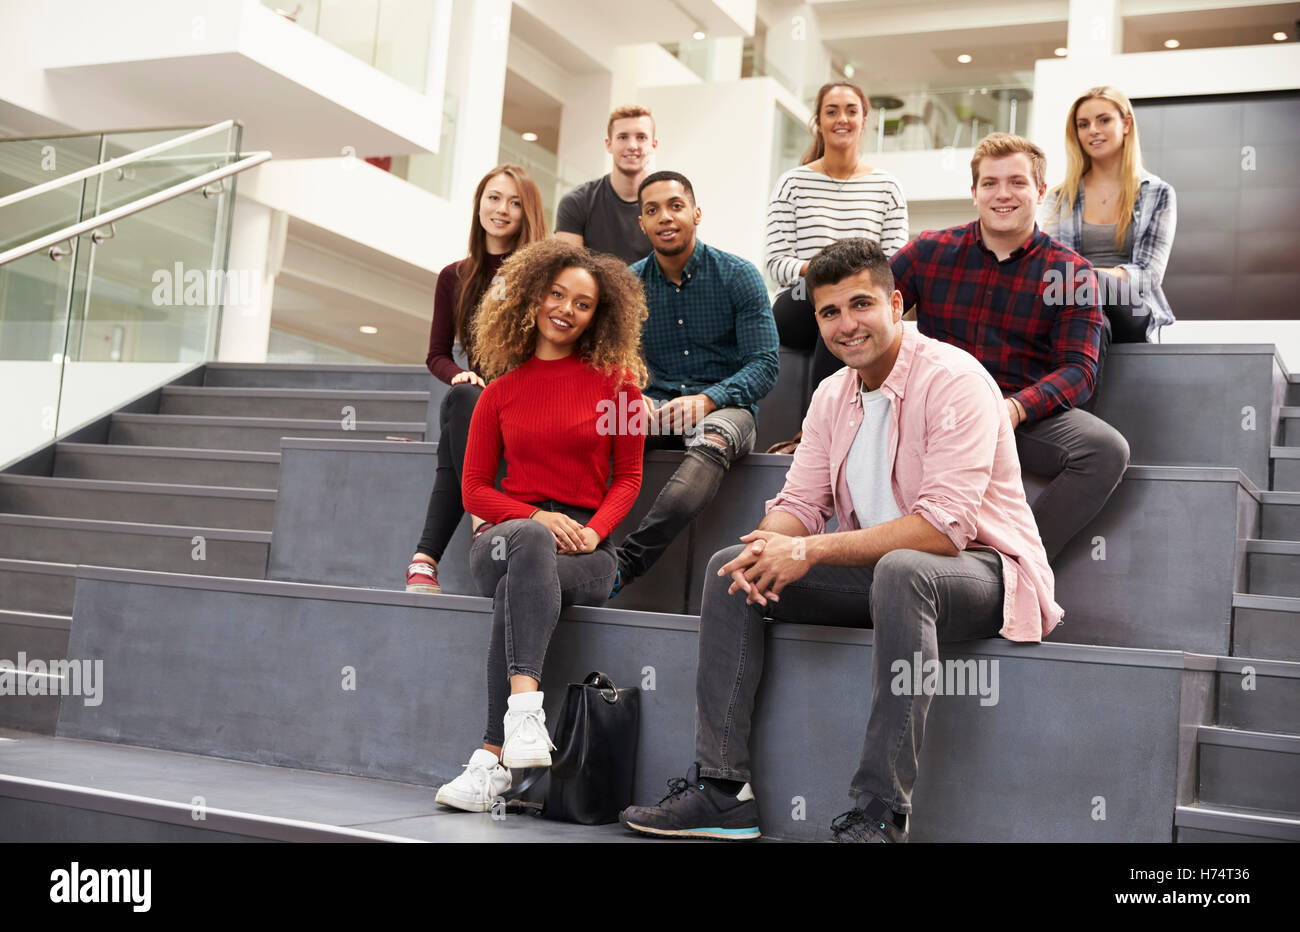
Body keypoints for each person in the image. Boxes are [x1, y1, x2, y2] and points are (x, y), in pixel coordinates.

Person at [618, 238, 1061, 842]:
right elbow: (800, 505)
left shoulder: (956, 381)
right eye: (830, 312)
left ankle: (880, 814)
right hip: (882, 574)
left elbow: (942, 530)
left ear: (896, 302)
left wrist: (806, 552)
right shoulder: (832, 394)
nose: (846, 325)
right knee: (733, 569)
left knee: (905, 569)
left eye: (861, 304)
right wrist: (770, 545)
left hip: (981, 571)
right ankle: (722, 791)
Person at [434, 239, 648, 812]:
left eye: (583, 303)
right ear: (534, 297)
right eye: (558, 294)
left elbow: (628, 479)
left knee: (517, 587)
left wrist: (596, 531)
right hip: (507, 535)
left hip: (586, 548)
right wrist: (535, 517)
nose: (566, 309)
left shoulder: (620, 385)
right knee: (527, 544)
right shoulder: (498, 392)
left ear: (598, 315)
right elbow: (474, 489)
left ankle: (492, 757)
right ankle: (526, 717)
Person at [890, 133, 1130, 561]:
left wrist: (1015, 409)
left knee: (1105, 450)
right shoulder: (929, 250)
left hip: (1017, 415)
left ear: (1039, 191)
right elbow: (872, 315)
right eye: (990, 183)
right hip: (937, 410)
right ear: (974, 192)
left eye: (1017, 182)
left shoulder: (1071, 271)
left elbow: (1079, 370)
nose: (1003, 194)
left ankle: (1018, 560)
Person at [610, 170, 779, 596]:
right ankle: (570, 550)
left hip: (727, 410)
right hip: (656, 408)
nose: (665, 217)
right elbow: (610, 361)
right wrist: (634, 393)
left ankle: (624, 566)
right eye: (652, 210)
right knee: (600, 425)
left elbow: (765, 364)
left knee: (711, 439)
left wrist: (709, 399)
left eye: (675, 206)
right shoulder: (627, 286)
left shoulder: (738, 275)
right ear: (642, 224)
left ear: (695, 213)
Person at [405, 165, 548, 594]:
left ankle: (425, 558)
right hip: (479, 398)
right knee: (463, 399)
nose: (501, 210)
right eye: (493, 197)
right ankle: (480, 522)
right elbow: (436, 355)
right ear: (479, 203)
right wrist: (458, 374)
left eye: (515, 202)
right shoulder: (454, 276)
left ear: (528, 213)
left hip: (527, 395)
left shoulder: (540, 276)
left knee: (459, 421)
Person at [765, 81, 909, 410]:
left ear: (864, 120)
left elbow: (896, 262)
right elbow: (775, 262)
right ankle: (825, 424)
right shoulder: (792, 183)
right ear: (819, 121)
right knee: (830, 307)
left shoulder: (887, 187)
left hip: (863, 298)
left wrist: (849, 286)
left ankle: (824, 423)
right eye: (831, 111)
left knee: (843, 311)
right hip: (800, 301)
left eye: (851, 111)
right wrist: (823, 274)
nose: (841, 118)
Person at [1040, 86, 1177, 397]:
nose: (1093, 131)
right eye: (1083, 124)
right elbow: (1054, 269)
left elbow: (1148, 274)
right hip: (1077, 303)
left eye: (1103, 120)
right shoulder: (1059, 198)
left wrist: (1094, 277)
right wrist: (1086, 280)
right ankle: (1080, 429)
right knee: (1094, 321)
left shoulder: (1158, 192)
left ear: (1125, 123)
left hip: (1133, 306)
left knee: (1088, 294)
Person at [554, 105, 657, 264]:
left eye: (641, 137)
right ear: (609, 144)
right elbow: (567, 272)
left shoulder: (670, 206)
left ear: (653, 145)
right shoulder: (577, 202)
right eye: (623, 137)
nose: (632, 145)